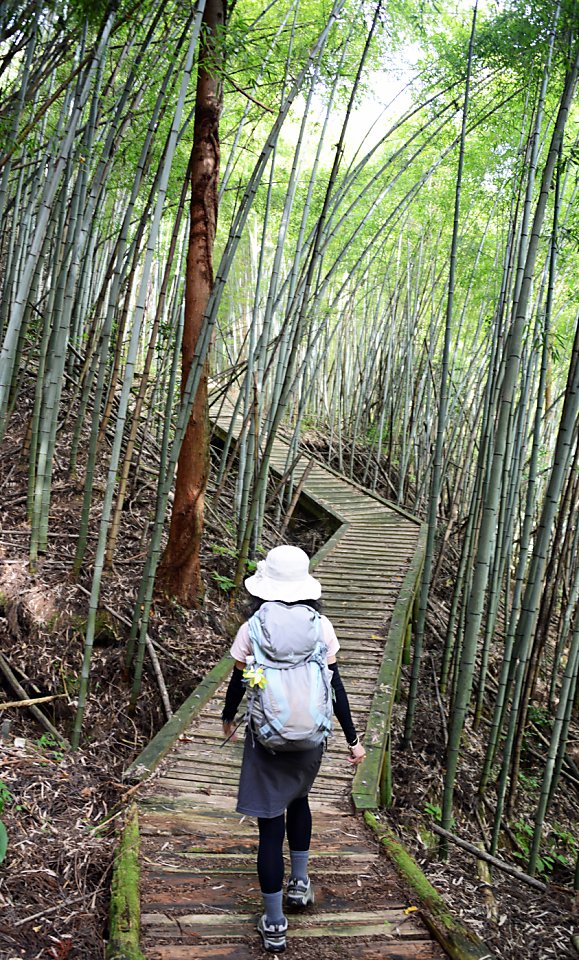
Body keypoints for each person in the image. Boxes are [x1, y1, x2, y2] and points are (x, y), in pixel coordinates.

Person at [221, 544, 366, 954]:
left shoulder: (252, 628)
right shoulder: (322, 626)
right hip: (311, 737)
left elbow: (237, 682)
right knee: (299, 800)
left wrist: (228, 716)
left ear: (264, 586)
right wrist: (353, 739)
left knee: (271, 823)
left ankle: (273, 922)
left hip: (266, 738)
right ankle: (299, 885)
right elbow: (335, 687)